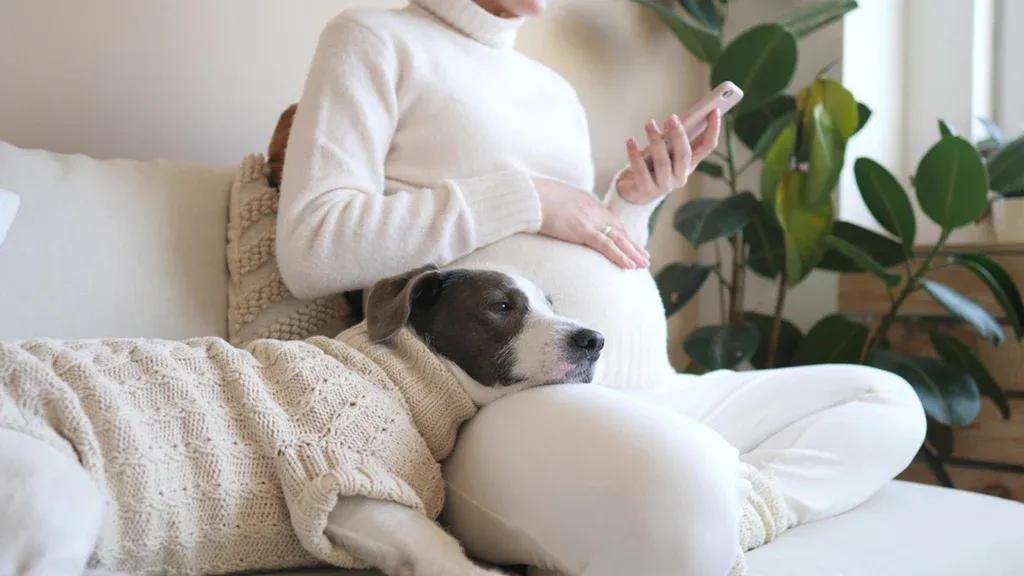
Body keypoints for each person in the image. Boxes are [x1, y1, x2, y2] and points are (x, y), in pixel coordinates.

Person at [276, 0, 927, 574]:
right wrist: (525, 195)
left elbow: (570, 251)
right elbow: (311, 247)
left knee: (888, 401)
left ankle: (741, 513)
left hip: (651, 387)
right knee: (686, 483)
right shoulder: (372, 37)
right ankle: (694, 499)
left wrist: (631, 205)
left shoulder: (553, 91)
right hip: (503, 408)